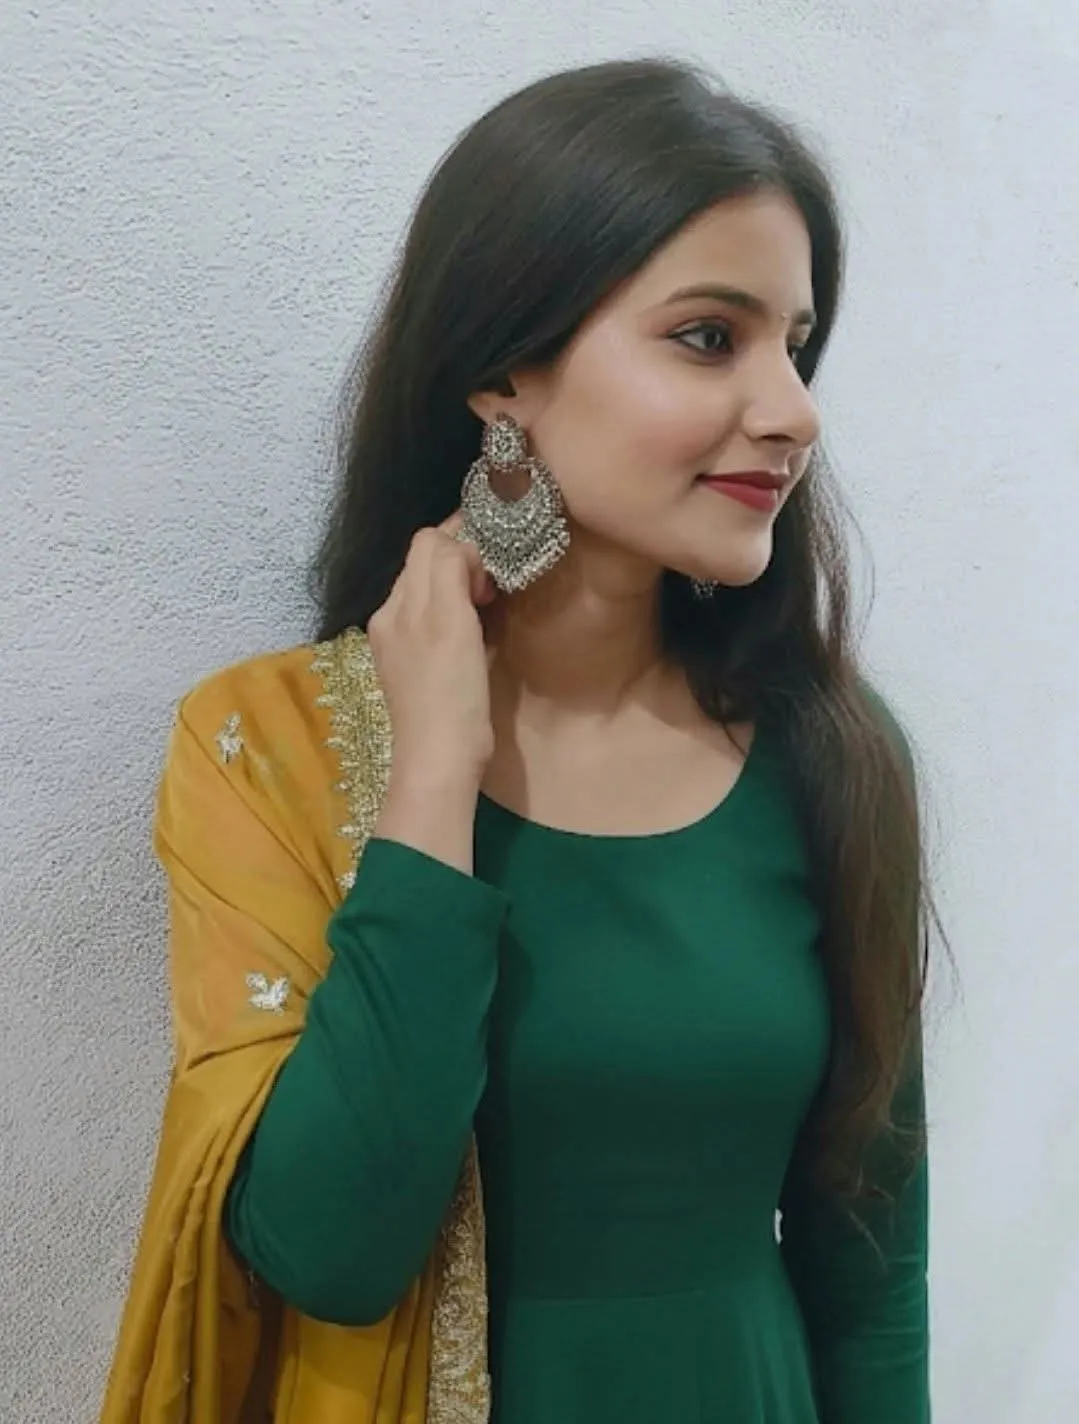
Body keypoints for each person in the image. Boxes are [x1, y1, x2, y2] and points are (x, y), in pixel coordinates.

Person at [101, 56, 933, 1424]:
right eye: (709, 337)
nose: (793, 409)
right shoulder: (266, 750)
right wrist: (434, 771)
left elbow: (873, 1271)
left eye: (797, 343)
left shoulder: (828, 755)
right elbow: (328, 1252)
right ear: (503, 374)